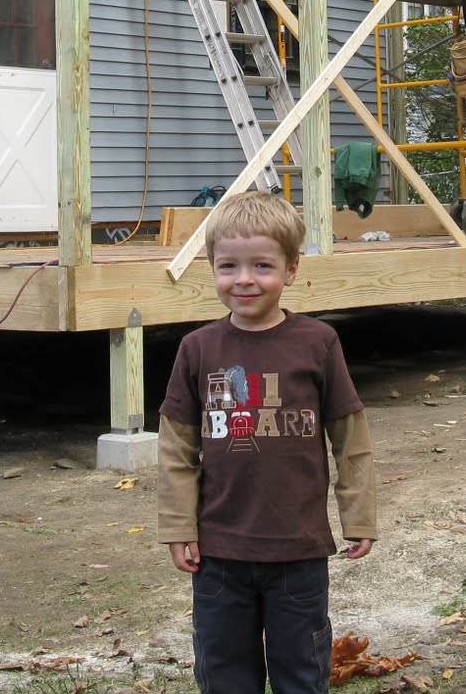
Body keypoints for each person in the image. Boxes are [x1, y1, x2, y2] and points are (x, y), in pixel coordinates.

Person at [157, 190, 378, 694]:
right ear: (212, 268)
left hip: (298, 551)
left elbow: (350, 439)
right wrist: (177, 526)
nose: (244, 280)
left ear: (291, 269)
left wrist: (359, 516)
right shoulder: (197, 349)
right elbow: (176, 451)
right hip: (218, 554)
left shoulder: (318, 343)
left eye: (262, 265)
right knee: (225, 673)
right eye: (228, 266)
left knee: (301, 672)